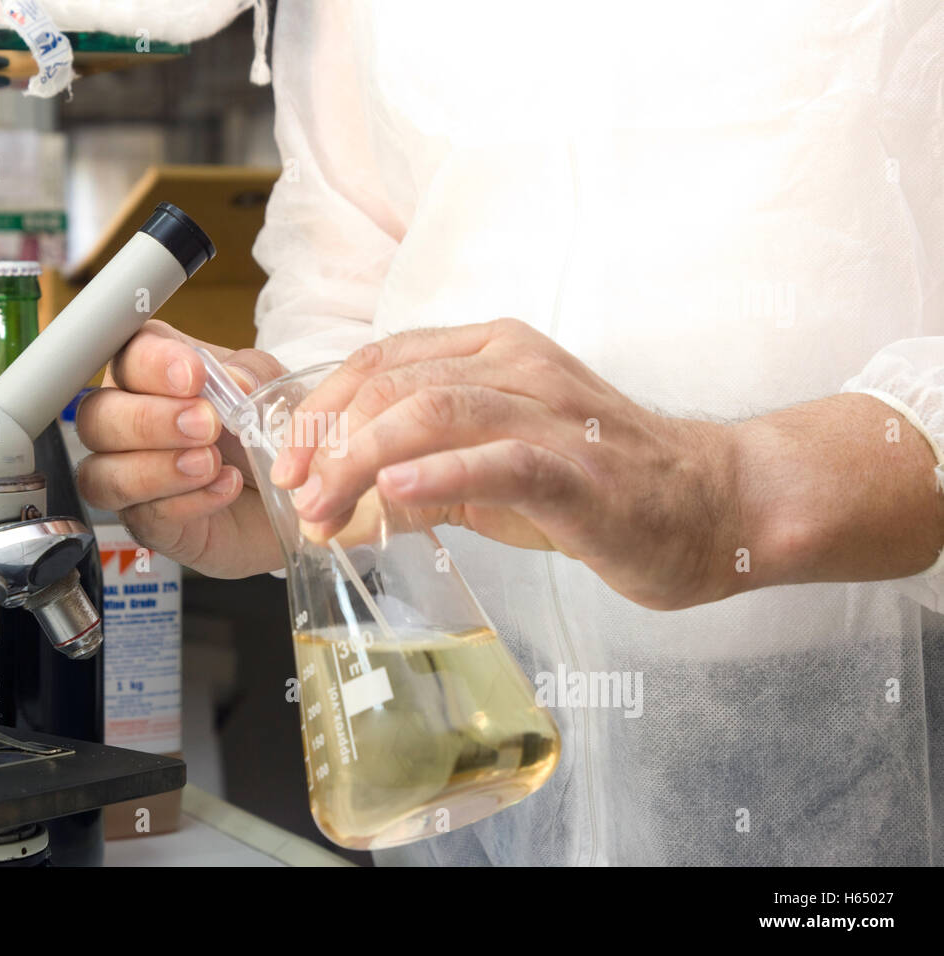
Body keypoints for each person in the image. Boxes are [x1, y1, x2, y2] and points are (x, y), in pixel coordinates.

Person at [75, 2, 944, 864]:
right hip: (472, 758)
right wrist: (284, 462)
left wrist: (736, 497)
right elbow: (348, 266)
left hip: (873, 748)